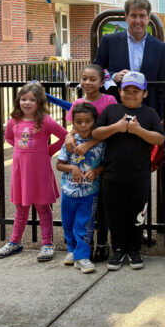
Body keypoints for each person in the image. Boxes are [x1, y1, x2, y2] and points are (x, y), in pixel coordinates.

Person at [93, 71, 165, 271]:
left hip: (139, 175)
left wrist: (138, 131)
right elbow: (96, 133)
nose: (131, 94)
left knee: (137, 214)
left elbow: (160, 138)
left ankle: (134, 249)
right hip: (112, 174)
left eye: (136, 91)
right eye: (126, 90)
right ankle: (118, 249)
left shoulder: (150, 113)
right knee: (114, 214)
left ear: (145, 93)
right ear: (119, 91)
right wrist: (116, 127)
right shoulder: (112, 111)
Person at [0, 82, 67, 262]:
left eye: (32, 100)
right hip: (21, 171)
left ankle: (47, 244)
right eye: (24, 99)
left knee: (43, 207)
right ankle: (15, 242)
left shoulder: (46, 121)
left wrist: (48, 151)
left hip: (39, 171)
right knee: (20, 207)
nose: (27, 103)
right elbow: (9, 138)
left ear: (39, 102)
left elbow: (66, 136)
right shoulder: (14, 121)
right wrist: (22, 151)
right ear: (18, 101)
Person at [63, 63, 118, 262]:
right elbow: (74, 127)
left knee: (103, 203)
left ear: (102, 82)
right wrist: (69, 135)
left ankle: (102, 242)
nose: (87, 82)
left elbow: (112, 129)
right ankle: (85, 244)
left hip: (103, 156)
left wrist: (89, 144)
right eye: (84, 78)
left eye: (93, 79)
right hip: (83, 160)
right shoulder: (78, 102)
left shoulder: (109, 100)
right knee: (86, 204)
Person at [94, 0, 165, 121]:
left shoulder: (159, 47)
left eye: (142, 16)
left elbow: (162, 86)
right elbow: (97, 71)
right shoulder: (109, 42)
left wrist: (161, 117)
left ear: (148, 18)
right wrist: (113, 76)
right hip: (116, 110)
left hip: (148, 112)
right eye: (133, 15)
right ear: (126, 17)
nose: (138, 20)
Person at [57, 103, 105, 274]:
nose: (83, 125)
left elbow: (106, 164)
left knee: (84, 224)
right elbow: (59, 165)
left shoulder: (101, 143)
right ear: (73, 123)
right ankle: (72, 250)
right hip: (68, 191)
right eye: (78, 122)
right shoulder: (69, 142)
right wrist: (72, 167)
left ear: (94, 121)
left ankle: (82, 256)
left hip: (89, 192)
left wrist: (96, 171)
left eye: (88, 121)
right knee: (68, 223)